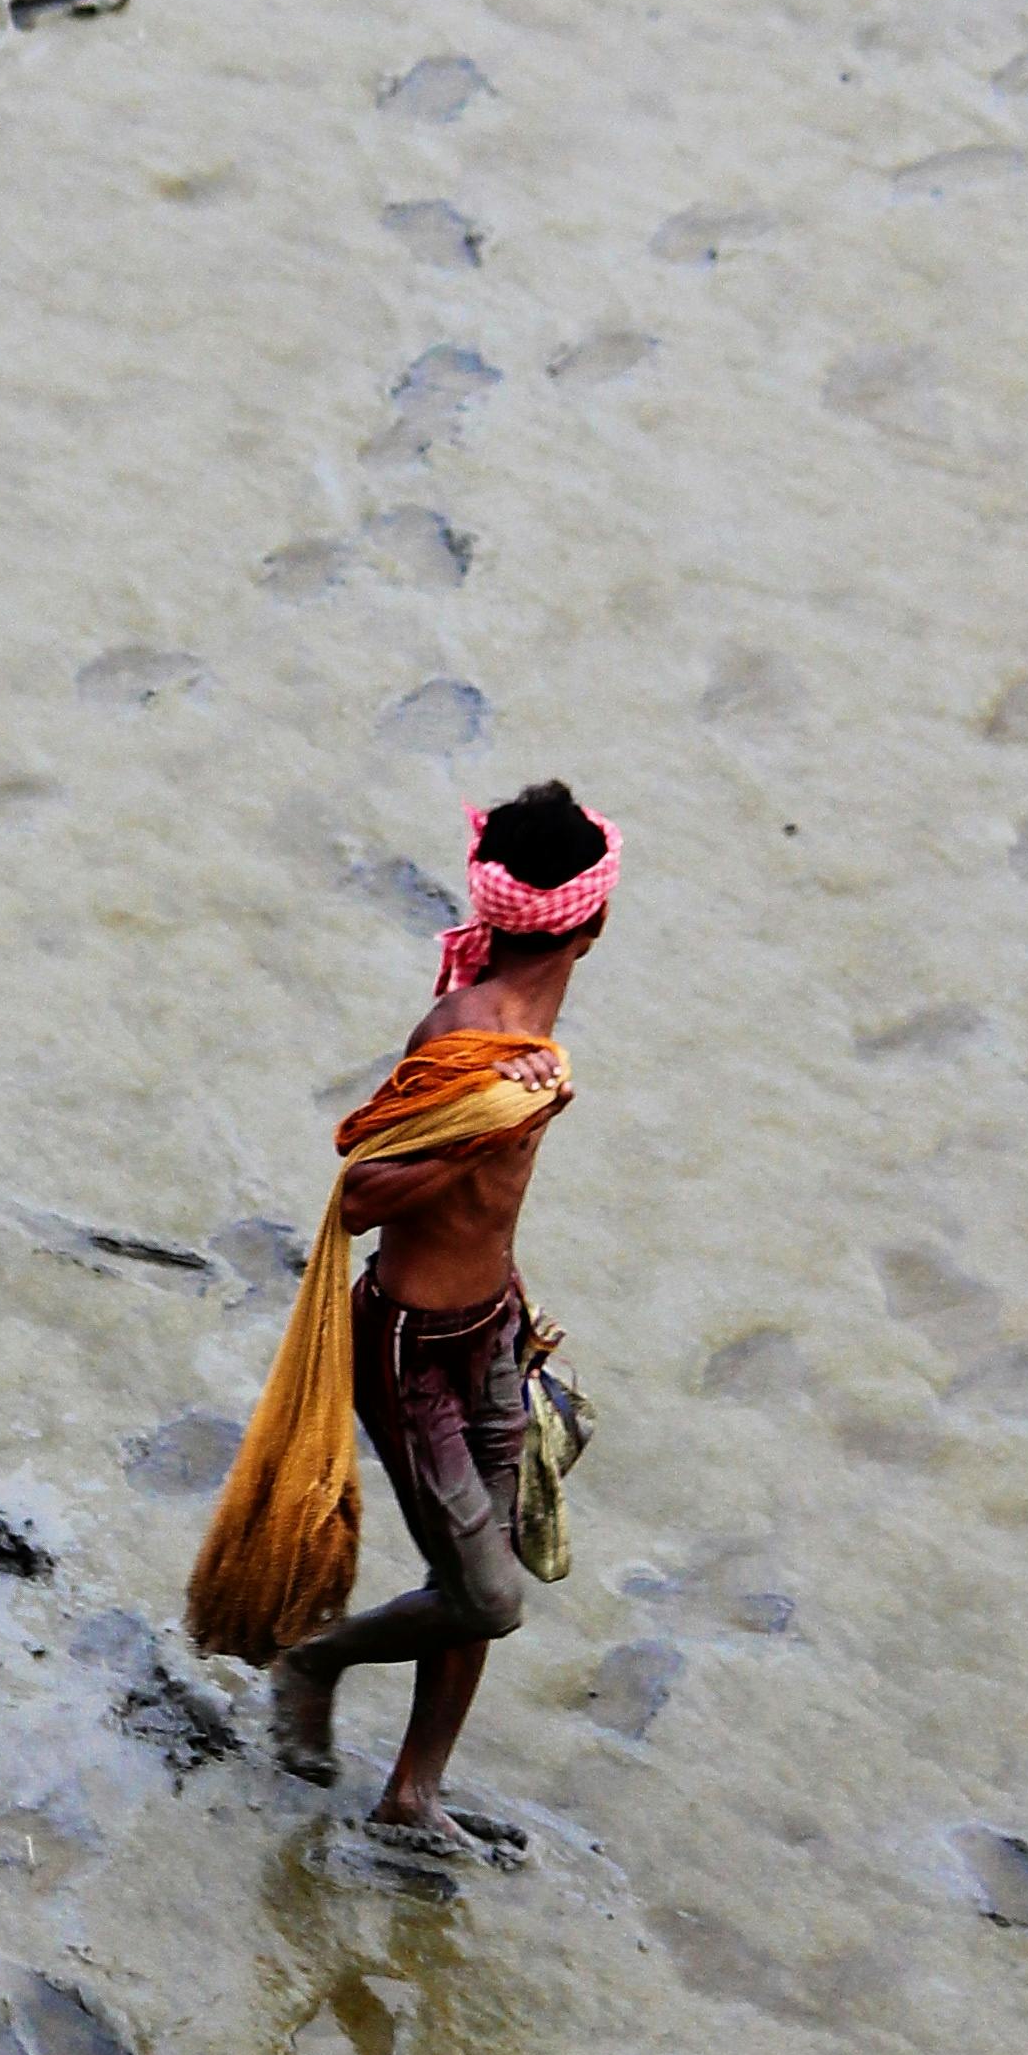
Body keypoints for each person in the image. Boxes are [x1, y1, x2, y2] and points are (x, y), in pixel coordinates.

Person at [190, 779, 614, 1854]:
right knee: (490, 1598)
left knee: (483, 1567)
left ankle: (412, 1795)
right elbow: (363, 1192)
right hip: (409, 1346)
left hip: (490, 1329)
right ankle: (317, 1658)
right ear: (591, 922)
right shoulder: (470, 1033)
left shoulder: (530, 1019)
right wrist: (486, 1125)